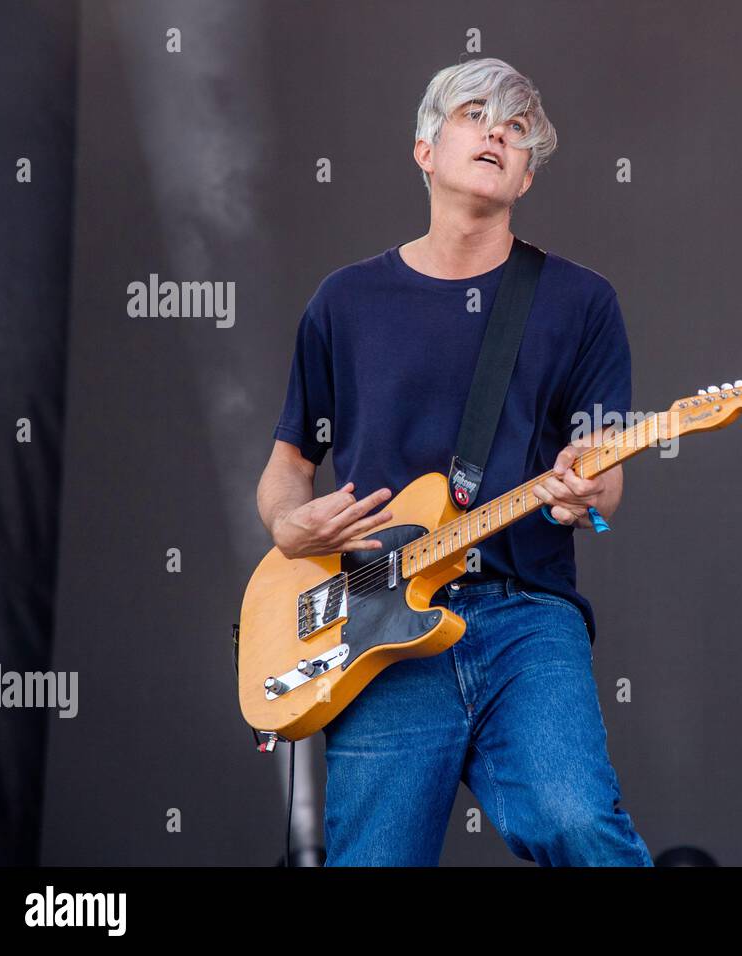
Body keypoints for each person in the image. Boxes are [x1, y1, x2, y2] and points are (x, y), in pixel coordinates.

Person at [255, 57, 652, 866]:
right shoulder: (345, 301)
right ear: (424, 150)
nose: (499, 135)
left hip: (524, 612)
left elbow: (605, 471)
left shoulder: (580, 301)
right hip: (374, 618)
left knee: (579, 825)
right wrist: (287, 524)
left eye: (518, 131)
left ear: (526, 176)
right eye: (478, 115)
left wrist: (587, 490)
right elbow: (290, 463)